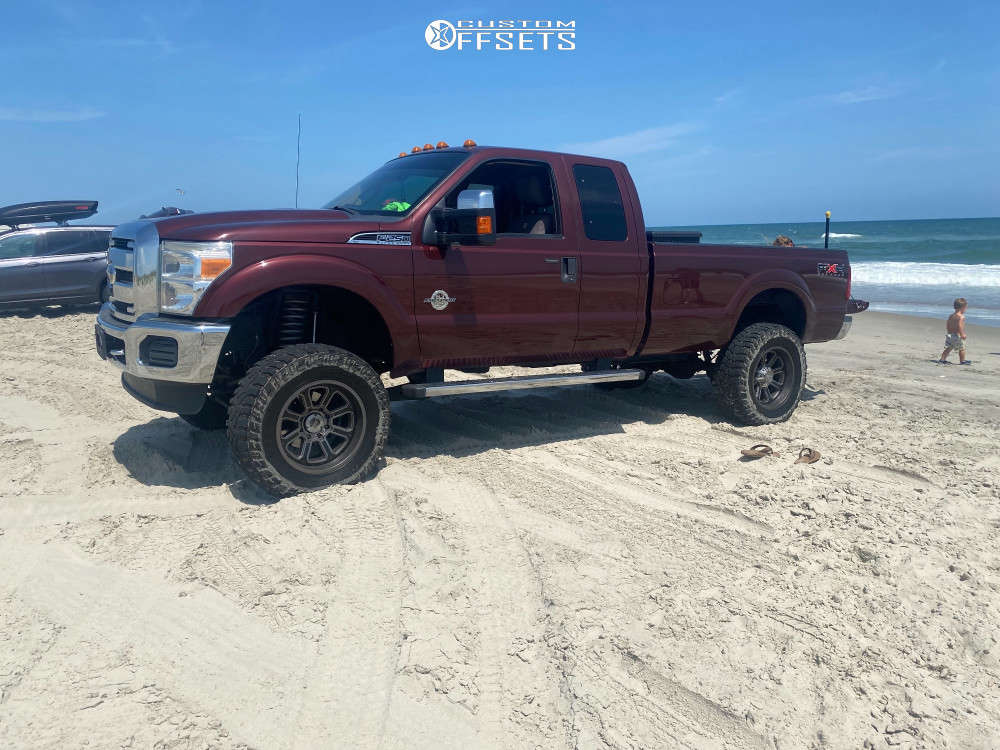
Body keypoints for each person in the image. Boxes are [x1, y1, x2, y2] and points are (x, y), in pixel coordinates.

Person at [938, 298, 971, 365]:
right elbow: (959, 326)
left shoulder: (951, 316)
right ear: (962, 308)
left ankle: (942, 359)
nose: (965, 310)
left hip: (950, 335)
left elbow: (948, 324)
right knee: (962, 348)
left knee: (949, 348)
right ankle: (962, 361)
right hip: (957, 335)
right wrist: (962, 334)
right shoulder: (961, 317)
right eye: (965, 308)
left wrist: (949, 331)